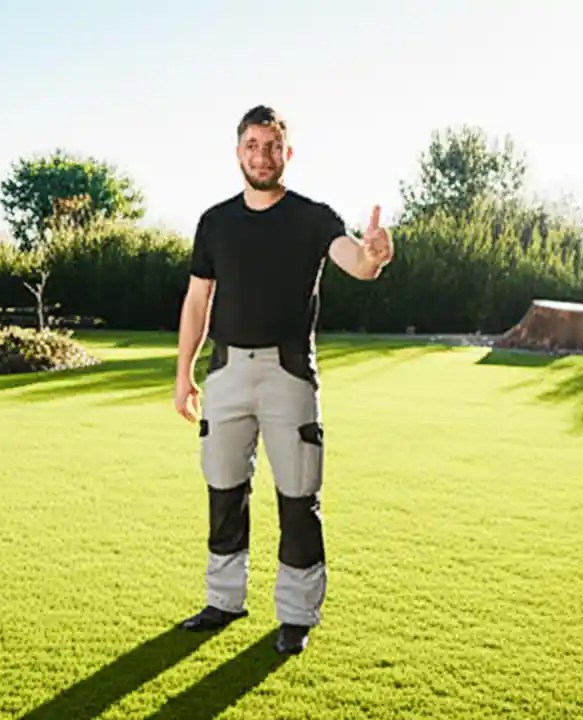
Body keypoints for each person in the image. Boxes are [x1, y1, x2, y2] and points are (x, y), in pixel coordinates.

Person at [172, 105, 394, 655]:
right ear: (238, 152)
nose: (262, 155)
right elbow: (198, 298)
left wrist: (374, 257)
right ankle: (223, 601)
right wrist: (184, 375)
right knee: (223, 491)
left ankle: (296, 616)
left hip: (288, 373)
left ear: (286, 154)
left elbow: (356, 263)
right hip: (225, 373)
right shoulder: (214, 222)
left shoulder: (313, 218)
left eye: (272, 146)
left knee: (298, 495)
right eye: (252, 145)